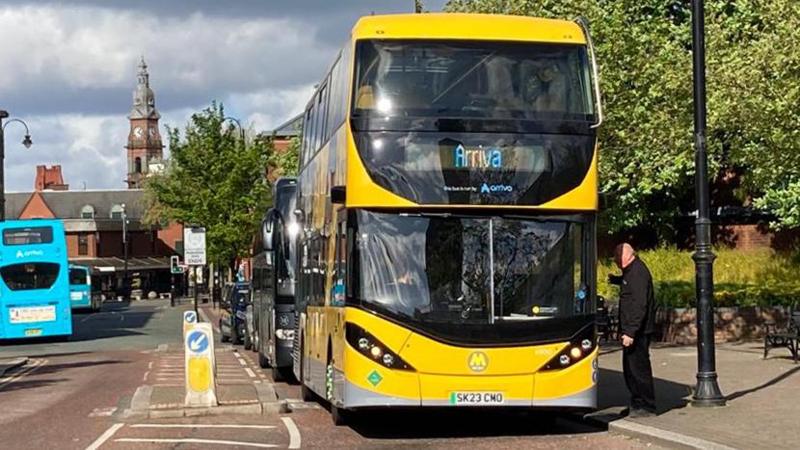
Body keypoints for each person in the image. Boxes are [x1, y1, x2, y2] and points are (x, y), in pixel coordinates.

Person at [609, 243, 657, 418]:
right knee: (630, 369)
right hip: (633, 330)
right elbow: (628, 285)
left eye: (616, 256)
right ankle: (637, 403)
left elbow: (639, 304)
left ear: (626, 255)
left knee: (638, 369)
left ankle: (647, 405)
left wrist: (630, 332)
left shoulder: (637, 273)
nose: (614, 260)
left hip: (638, 332)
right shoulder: (631, 271)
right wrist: (616, 280)